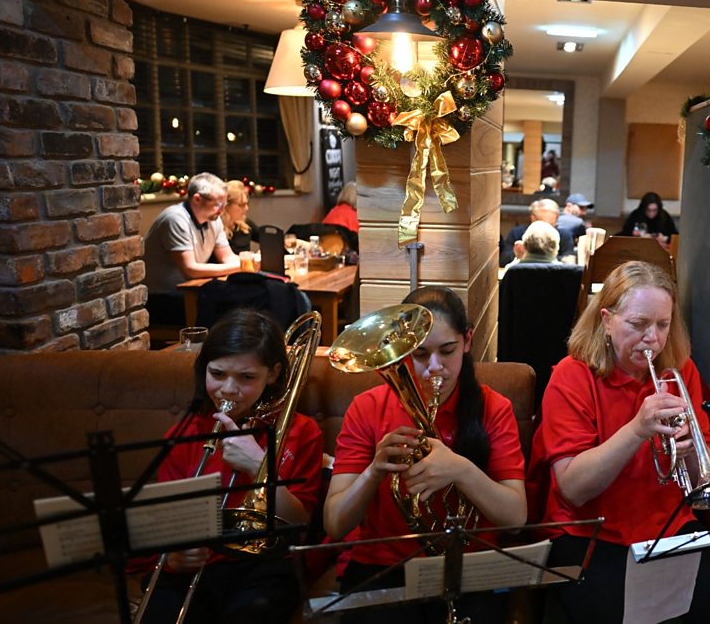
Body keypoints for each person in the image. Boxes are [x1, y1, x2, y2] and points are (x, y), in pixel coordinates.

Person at [529, 261, 710, 624]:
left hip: (670, 527)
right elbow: (573, 489)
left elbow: (702, 483)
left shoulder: (679, 370)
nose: (653, 339)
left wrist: (692, 451)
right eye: (638, 324)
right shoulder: (571, 376)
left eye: (663, 325)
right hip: (589, 534)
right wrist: (636, 430)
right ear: (607, 320)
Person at [323, 287, 527, 624]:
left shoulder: (494, 408)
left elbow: (516, 518)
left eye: (447, 351)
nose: (435, 368)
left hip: (468, 565)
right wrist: (375, 470)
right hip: (383, 563)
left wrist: (460, 469)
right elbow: (335, 522)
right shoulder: (368, 408)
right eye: (419, 355)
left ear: (467, 341)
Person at [139, 308, 323, 624]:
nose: (228, 390)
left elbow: (299, 523)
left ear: (274, 374)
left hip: (264, 565)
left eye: (247, 377)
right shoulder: (184, 434)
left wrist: (259, 466)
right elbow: (168, 524)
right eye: (218, 374)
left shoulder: (301, 431)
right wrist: (175, 557)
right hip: (201, 566)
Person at [143, 172, 241, 326]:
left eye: (224, 204)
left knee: (245, 297)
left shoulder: (213, 219)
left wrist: (252, 263)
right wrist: (238, 266)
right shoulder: (175, 219)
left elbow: (228, 257)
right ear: (197, 199)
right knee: (230, 308)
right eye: (217, 204)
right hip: (161, 298)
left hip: (190, 293)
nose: (222, 210)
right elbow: (190, 269)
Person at [499, 198, 574, 267]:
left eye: (552, 224)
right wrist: (519, 252)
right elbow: (504, 260)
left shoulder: (564, 235)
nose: (547, 229)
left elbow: (568, 261)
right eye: (543, 223)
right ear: (533, 218)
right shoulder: (517, 233)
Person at [222, 180, 259, 253]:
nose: (247, 208)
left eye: (247, 204)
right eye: (241, 205)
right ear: (226, 205)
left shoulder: (244, 223)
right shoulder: (216, 229)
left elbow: (266, 238)